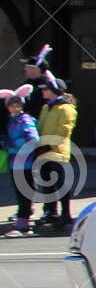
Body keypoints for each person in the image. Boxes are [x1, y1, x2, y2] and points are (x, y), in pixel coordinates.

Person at [35, 82, 78, 231]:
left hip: (58, 151)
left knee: (60, 185)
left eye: (45, 89)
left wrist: (49, 145)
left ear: (54, 90)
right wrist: (38, 144)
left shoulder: (66, 108)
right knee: (47, 184)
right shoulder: (46, 107)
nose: (43, 92)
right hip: (43, 151)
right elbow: (40, 127)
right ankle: (51, 212)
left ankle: (66, 214)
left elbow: (64, 130)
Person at [1, 86, 40, 236]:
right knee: (20, 192)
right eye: (11, 104)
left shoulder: (25, 119)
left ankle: (23, 224)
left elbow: (33, 139)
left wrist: (12, 143)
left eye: (17, 104)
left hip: (25, 162)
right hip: (15, 162)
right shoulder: (12, 120)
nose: (14, 107)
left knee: (24, 191)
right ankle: (23, 219)